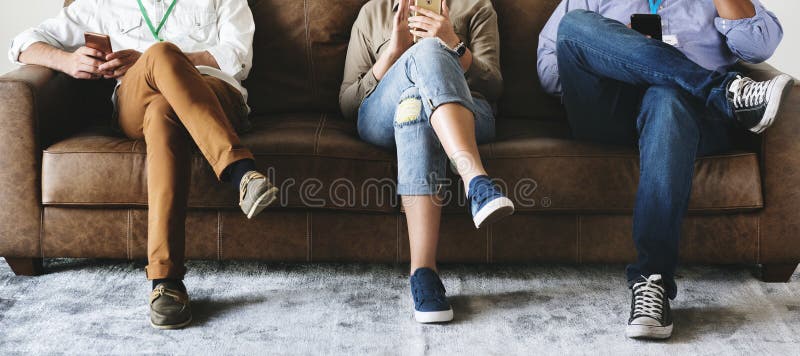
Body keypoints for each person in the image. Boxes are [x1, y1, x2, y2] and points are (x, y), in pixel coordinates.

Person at [9, 0, 279, 329]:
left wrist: (165, 59)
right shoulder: (102, 3)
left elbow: (237, 57)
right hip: (134, 101)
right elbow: (23, 42)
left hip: (215, 93)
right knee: (161, 56)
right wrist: (67, 59)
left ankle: (166, 283)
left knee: (163, 102)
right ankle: (240, 171)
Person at [537, 0, 792, 340]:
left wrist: (666, 75)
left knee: (667, 97)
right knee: (575, 25)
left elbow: (761, 45)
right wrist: (624, 55)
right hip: (608, 112)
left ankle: (651, 280)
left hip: (685, 118)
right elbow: (549, 70)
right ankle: (723, 92)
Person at [340, 0, 513, 323]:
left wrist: (454, 45)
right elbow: (349, 103)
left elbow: (494, 86)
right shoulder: (373, 13)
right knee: (425, 55)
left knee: (416, 105)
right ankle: (475, 180)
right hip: (380, 117)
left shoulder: (477, 7)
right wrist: (393, 54)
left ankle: (423, 272)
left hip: (471, 112)